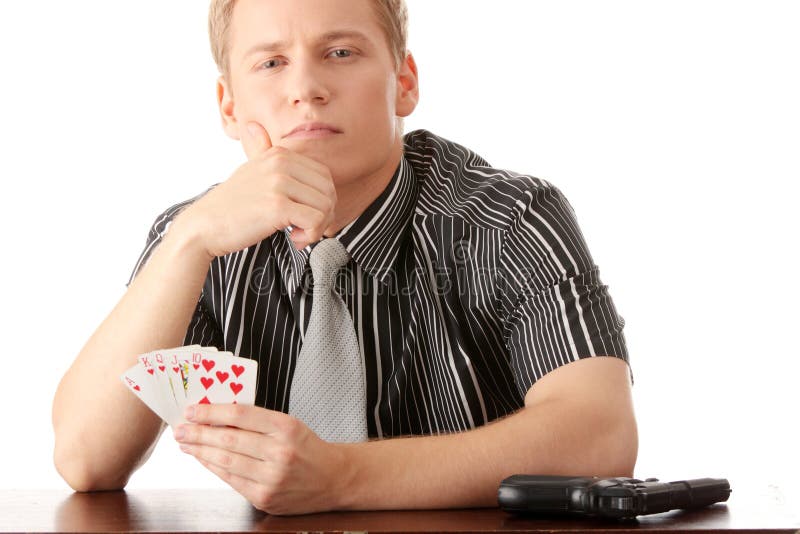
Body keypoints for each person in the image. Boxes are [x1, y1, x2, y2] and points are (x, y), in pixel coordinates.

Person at [52, 0, 638, 515]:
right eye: (271, 62)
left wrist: (340, 478)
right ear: (229, 106)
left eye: (339, 52)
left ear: (403, 81)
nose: (306, 88)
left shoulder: (510, 218)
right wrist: (188, 240)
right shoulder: (200, 238)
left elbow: (600, 434)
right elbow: (84, 459)